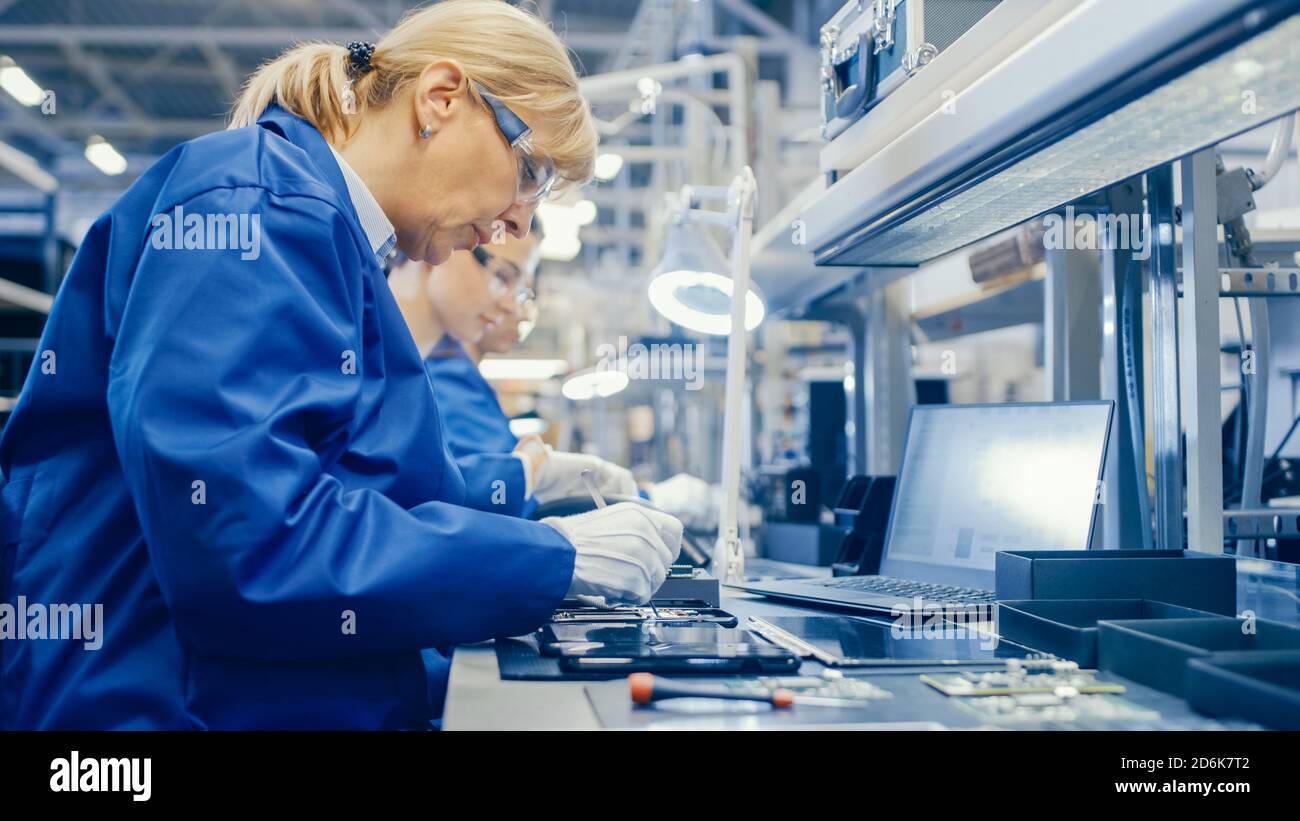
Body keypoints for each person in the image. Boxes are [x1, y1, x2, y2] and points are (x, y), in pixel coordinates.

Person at [0, 0, 680, 730]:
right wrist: (547, 558)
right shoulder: (254, 206)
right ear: (442, 98)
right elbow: (247, 542)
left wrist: (526, 487)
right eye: (530, 169)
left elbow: (370, 491)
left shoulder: (334, 242)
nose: (519, 221)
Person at [390, 223, 638, 520]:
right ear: (446, 234)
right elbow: (463, 503)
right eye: (501, 276)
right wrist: (528, 477)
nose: (514, 309)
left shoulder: (415, 369)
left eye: (522, 293)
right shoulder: (441, 374)